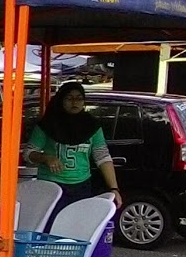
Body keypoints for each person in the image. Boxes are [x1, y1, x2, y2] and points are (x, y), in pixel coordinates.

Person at [25, 81, 122, 219]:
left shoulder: (92, 126)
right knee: (50, 224)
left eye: (79, 98)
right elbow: (28, 153)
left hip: (81, 186)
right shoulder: (47, 124)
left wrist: (114, 188)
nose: (74, 102)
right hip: (50, 185)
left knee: (76, 224)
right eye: (69, 98)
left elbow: (102, 157)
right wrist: (45, 158)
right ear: (61, 100)